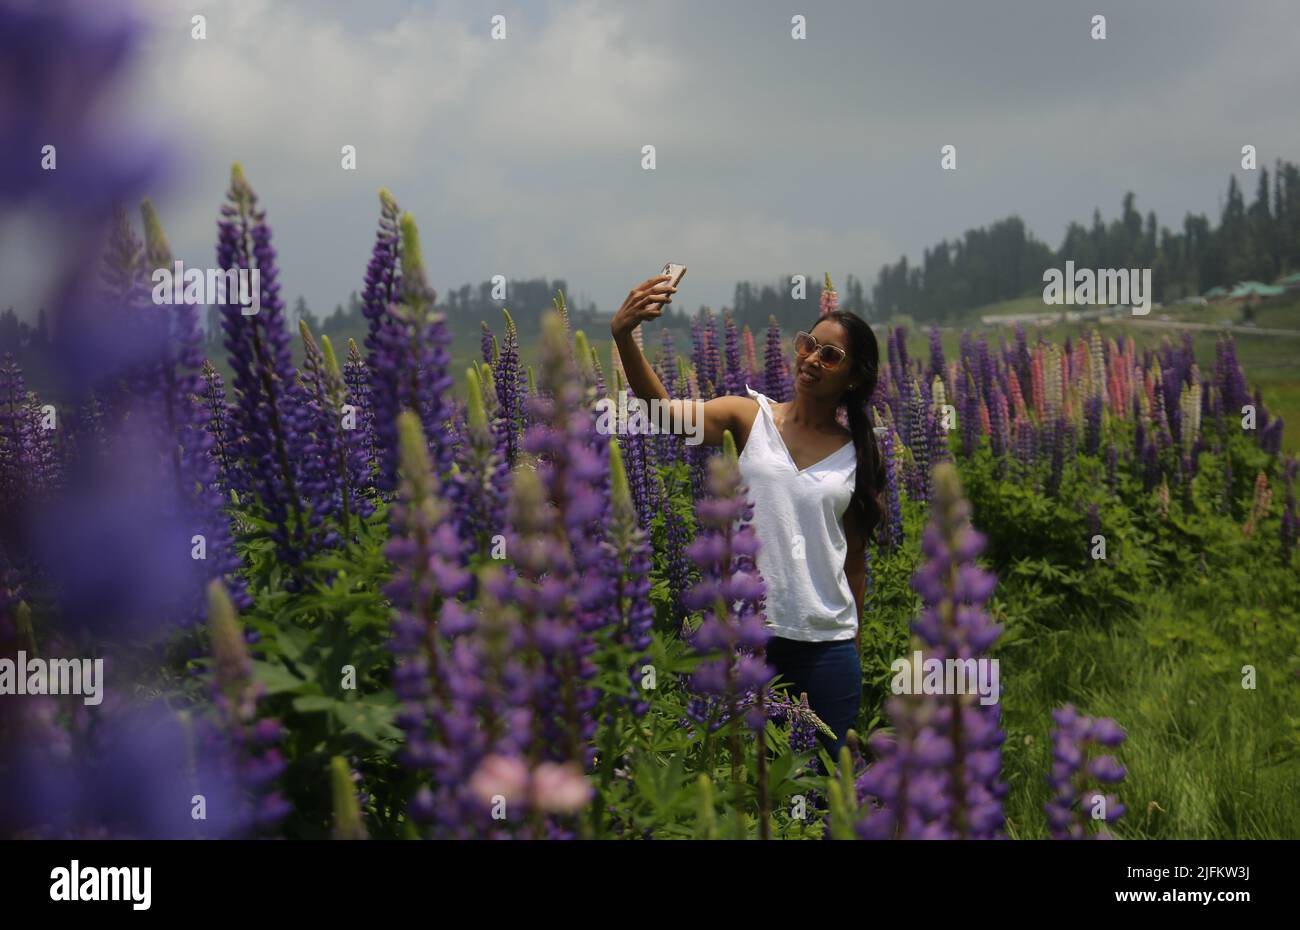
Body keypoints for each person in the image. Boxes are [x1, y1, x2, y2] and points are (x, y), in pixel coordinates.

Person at [611, 274, 886, 759]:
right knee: (751, 791)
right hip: (749, 638)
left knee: (819, 802)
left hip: (827, 649)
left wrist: (853, 650)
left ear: (854, 377)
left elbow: (855, 564)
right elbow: (668, 417)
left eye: (830, 356)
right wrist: (624, 337)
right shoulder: (750, 416)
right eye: (809, 345)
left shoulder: (858, 454)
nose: (811, 360)